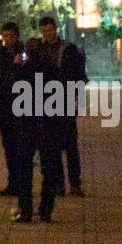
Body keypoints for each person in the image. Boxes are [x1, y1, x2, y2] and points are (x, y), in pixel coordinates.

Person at [11, 36, 63, 223]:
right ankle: (45, 211)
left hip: (27, 125)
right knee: (48, 169)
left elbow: (14, 93)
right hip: (47, 125)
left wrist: (17, 66)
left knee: (24, 168)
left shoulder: (23, 71)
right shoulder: (51, 69)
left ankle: (26, 210)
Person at [38, 15, 87, 196]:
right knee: (51, 146)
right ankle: (58, 182)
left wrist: (77, 100)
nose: (47, 34)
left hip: (65, 101)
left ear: (55, 29)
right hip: (44, 103)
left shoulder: (69, 49)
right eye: (44, 31)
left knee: (70, 145)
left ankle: (75, 183)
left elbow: (80, 75)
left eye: (50, 30)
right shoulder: (39, 50)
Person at [0, 22, 27, 196]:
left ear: (17, 36)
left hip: (21, 104)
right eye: (5, 36)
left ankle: (21, 182)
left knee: (21, 145)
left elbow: (27, 70)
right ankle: (13, 182)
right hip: (4, 104)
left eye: (11, 36)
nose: (8, 39)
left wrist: (18, 62)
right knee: (8, 144)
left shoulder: (24, 52)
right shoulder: (1, 54)